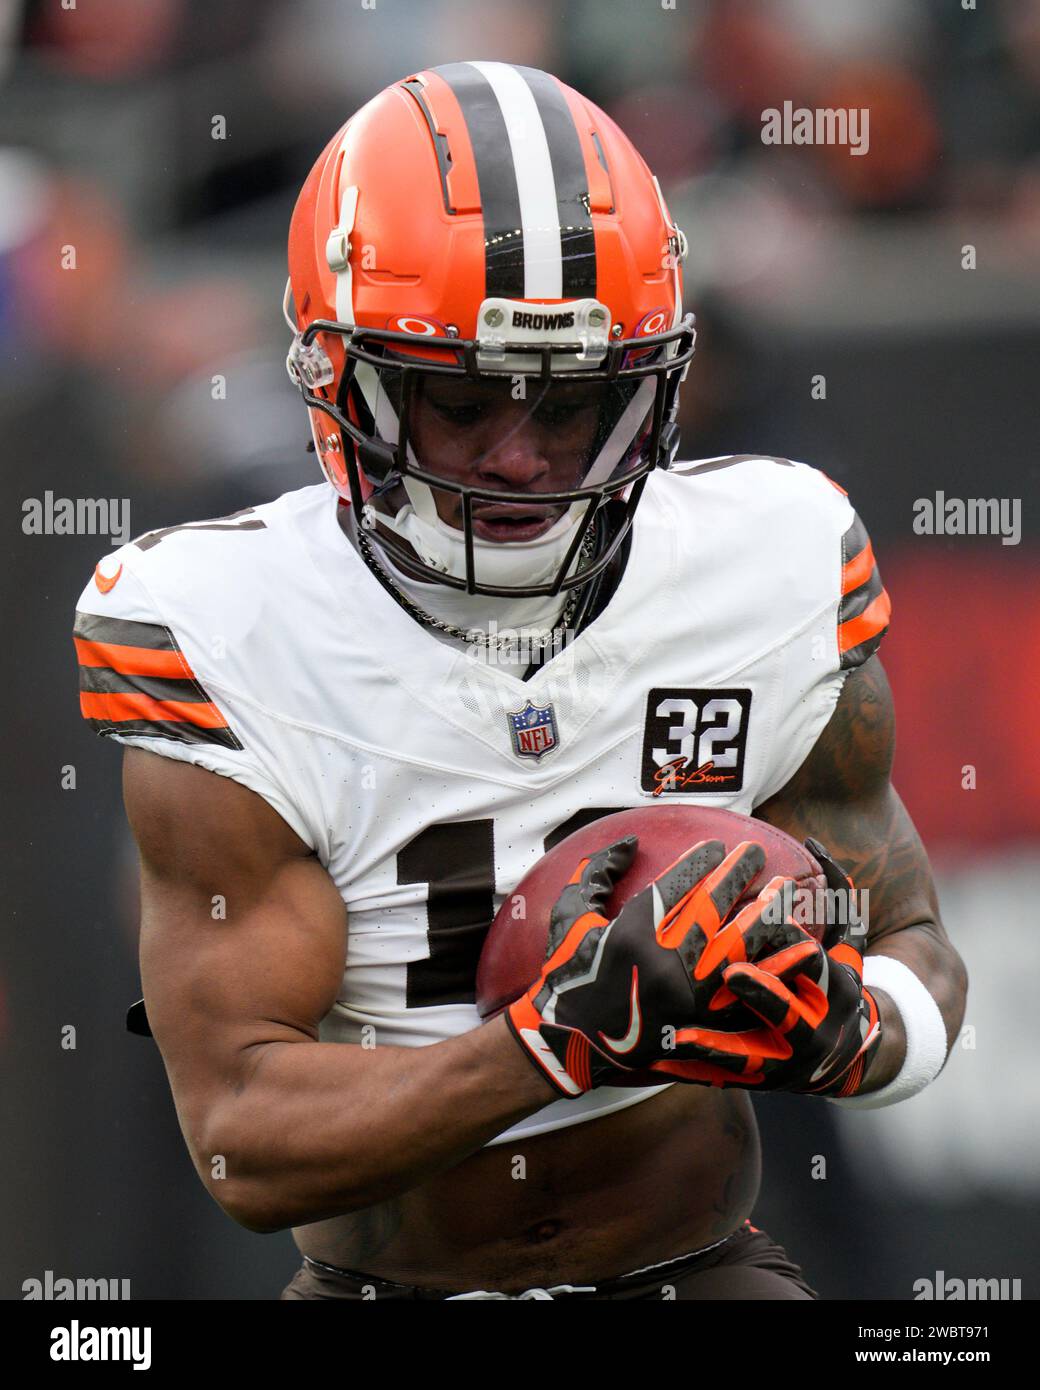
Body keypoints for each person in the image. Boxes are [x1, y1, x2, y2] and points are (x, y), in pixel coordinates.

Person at [72, 61, 967, 1300]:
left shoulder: (768, 560)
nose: (519, 455)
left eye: (575, 403)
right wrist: (554, 1043)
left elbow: (908, 942)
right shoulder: (229, 630)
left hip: (693, 1269)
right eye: (457, 398)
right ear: (339, 381)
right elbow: (243, 1135)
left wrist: (847, 1027)